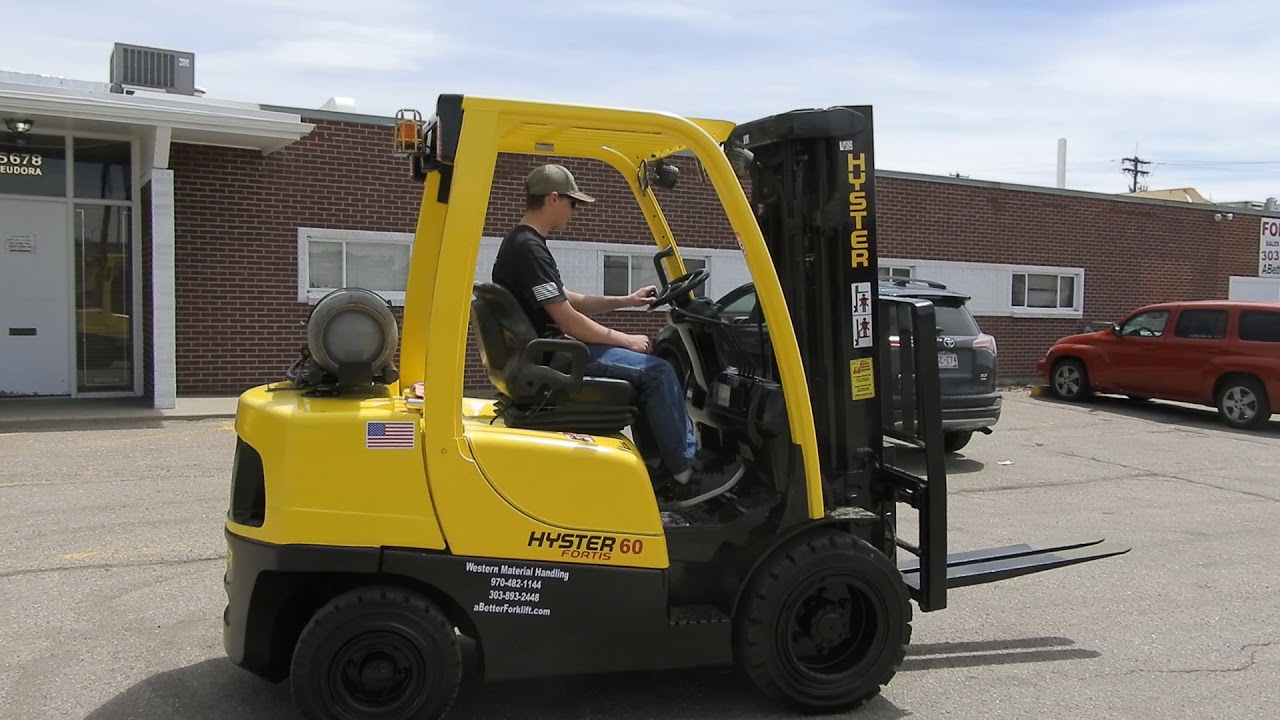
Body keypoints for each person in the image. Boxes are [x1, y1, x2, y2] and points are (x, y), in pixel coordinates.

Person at [491, 163, 744, 508]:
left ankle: (657, 468)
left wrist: (625, 300)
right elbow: (567, 319)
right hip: (556, 359)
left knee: (649, 369)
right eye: (573, 203)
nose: (574, 211)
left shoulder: (521, 244)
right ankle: (686, 474)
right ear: (553, 199)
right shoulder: (529, 249)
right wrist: (625, 339)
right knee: (658, 370)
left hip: (546, 355)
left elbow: (569, 299)